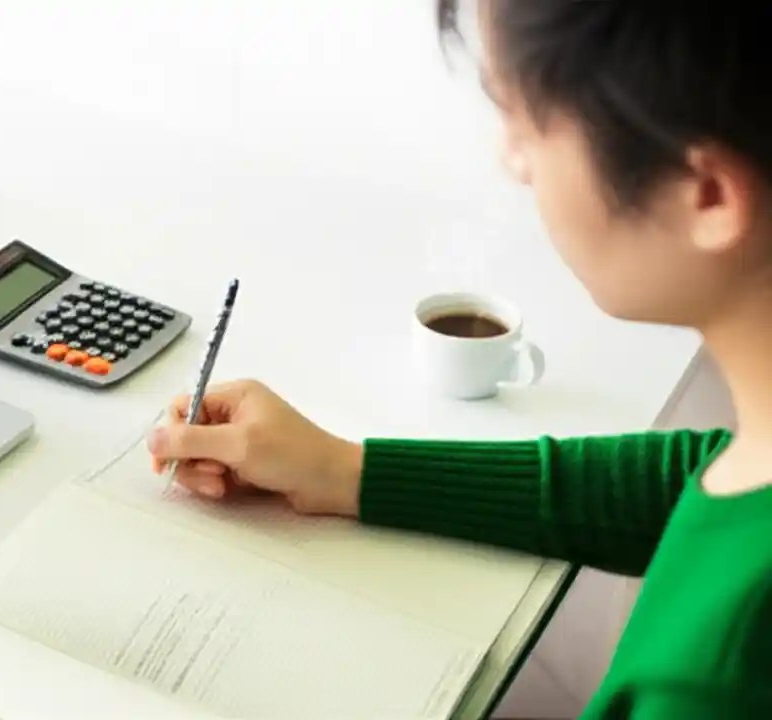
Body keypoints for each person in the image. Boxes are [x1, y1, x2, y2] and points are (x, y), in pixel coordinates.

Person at [146, 1, 772, 717]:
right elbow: (695, 478)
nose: (512, 163)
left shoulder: (708, 684)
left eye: (524, 122)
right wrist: (344, 470)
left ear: (706, 195)